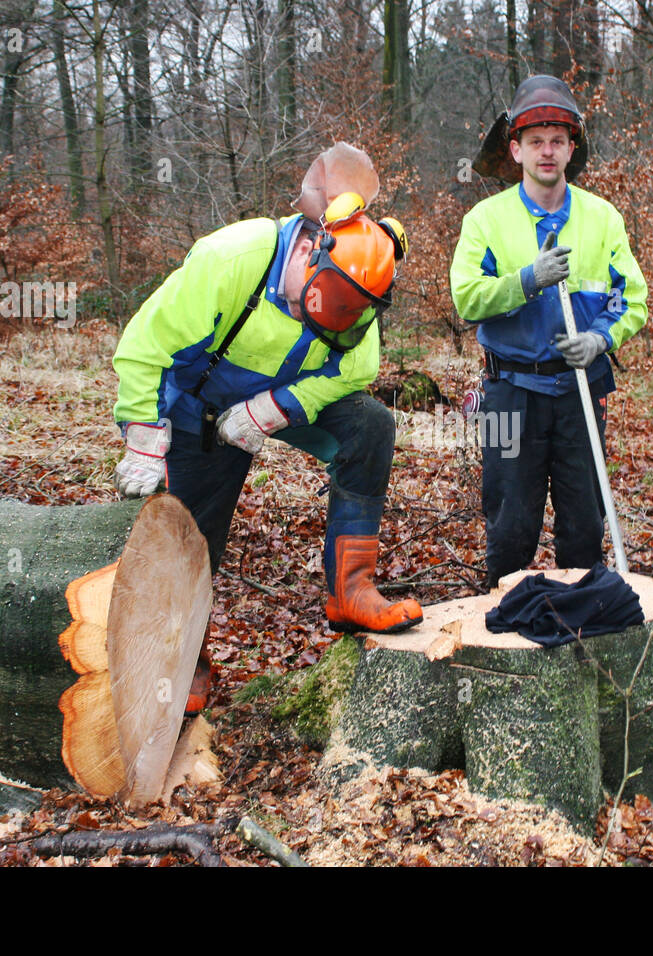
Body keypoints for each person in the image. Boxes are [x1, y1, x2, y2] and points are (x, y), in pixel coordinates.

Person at [111, 144, 422, 715]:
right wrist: (143, 435)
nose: (328, 319)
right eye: (325, 302)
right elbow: (142, 346)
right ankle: (183, 662)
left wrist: (274, 409)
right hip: (198, 402)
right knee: (192, 535)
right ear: (309, 246)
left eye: (351, 312)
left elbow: (356, 370)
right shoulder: (234, 257)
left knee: (370, 426)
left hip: (277, 394)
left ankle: (351, 588)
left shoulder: (358, 297)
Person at [450, 75, 648, 588]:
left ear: (571, 148)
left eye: (557, 140)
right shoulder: (485, 220)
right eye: (535, 140)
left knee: (584, 525)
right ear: (514, 149)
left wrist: (600, 340)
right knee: (510, 525)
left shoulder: (602, 219)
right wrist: (527, 281)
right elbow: (467, 298)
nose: (547, 150)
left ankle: (579, 637)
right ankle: (506, 639)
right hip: (509, 391)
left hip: (582, 388)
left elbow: (633, 300)